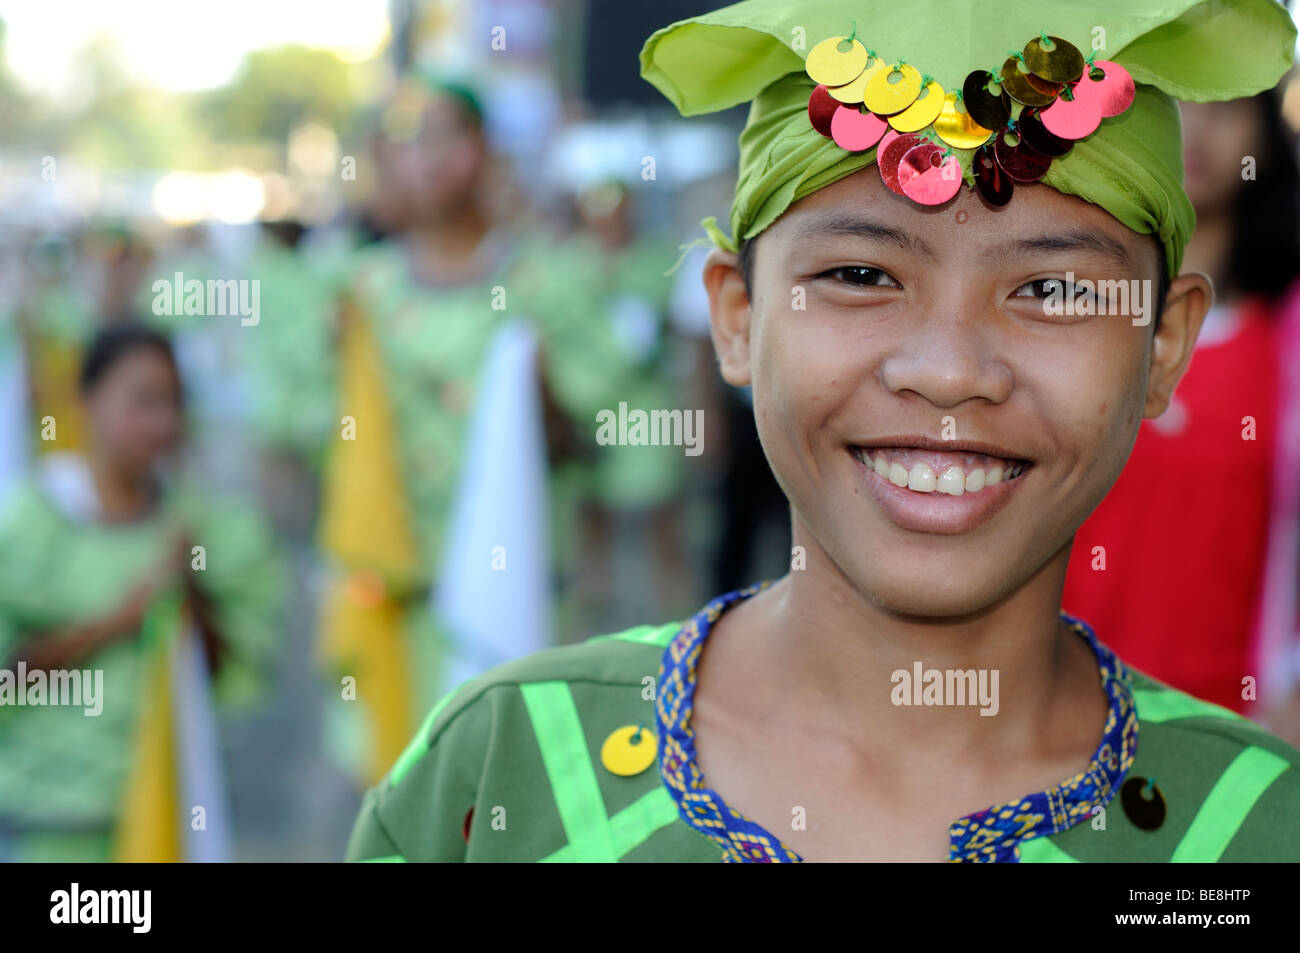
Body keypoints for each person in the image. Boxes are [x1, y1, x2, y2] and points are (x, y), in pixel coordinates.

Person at [346, 0, 1300, 862]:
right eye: (861, 275)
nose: (948, 369)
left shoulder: (1249, 828)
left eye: (1050, 289)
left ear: (1163, 343)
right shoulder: (506, 770)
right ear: (735, 316)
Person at [1063, 90, 1300, 739]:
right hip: (1051, 708)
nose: (1194, 128)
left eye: (1225, 108)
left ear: (1263, 138)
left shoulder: (1287, 336)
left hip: (1229, 732)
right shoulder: (1057, 303)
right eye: (1169, 102)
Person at [0, 325, 283, 861]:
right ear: (86, 402)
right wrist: (118, 620)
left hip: (164, 814)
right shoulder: (28, 526)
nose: (163, 424)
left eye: (174, 404)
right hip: (49, 821)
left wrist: (190, 592)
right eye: (143, 402)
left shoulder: (204, 529)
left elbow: (226, 673)